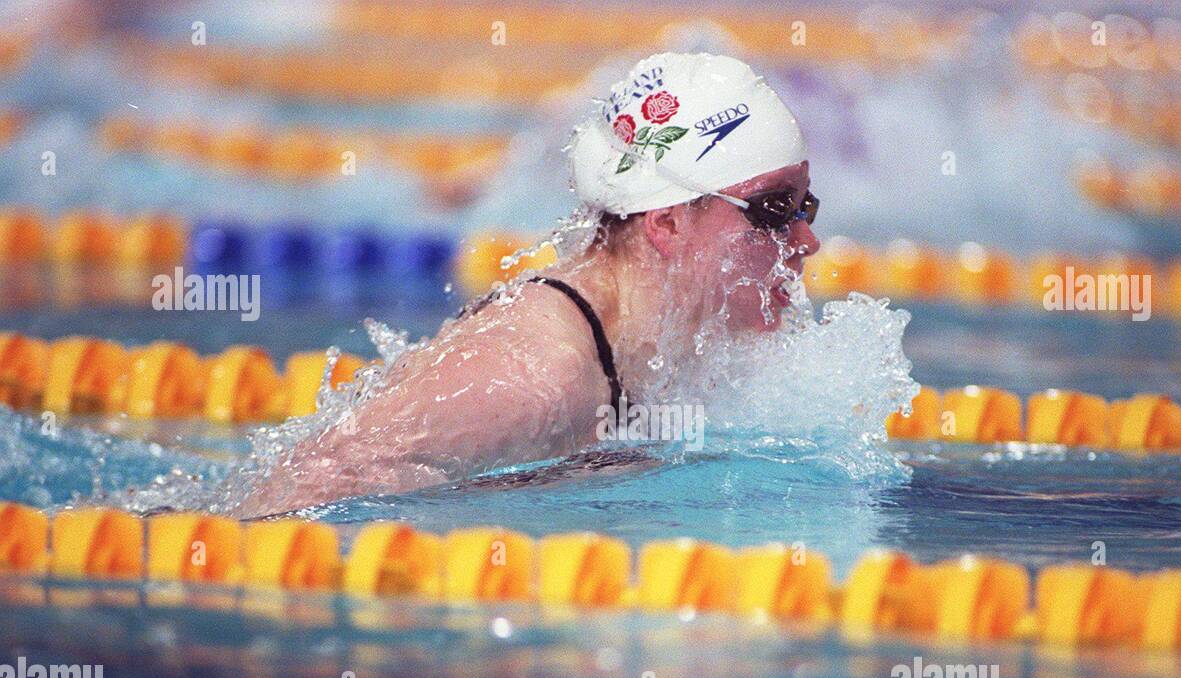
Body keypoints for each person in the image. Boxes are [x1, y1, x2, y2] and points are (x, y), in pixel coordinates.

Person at [234, 52, 820, 517]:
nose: (805, 241)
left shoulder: (674, 345)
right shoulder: (539, 372)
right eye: (772, 210)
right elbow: (302, 492)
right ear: (666, 221)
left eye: (804, 207)